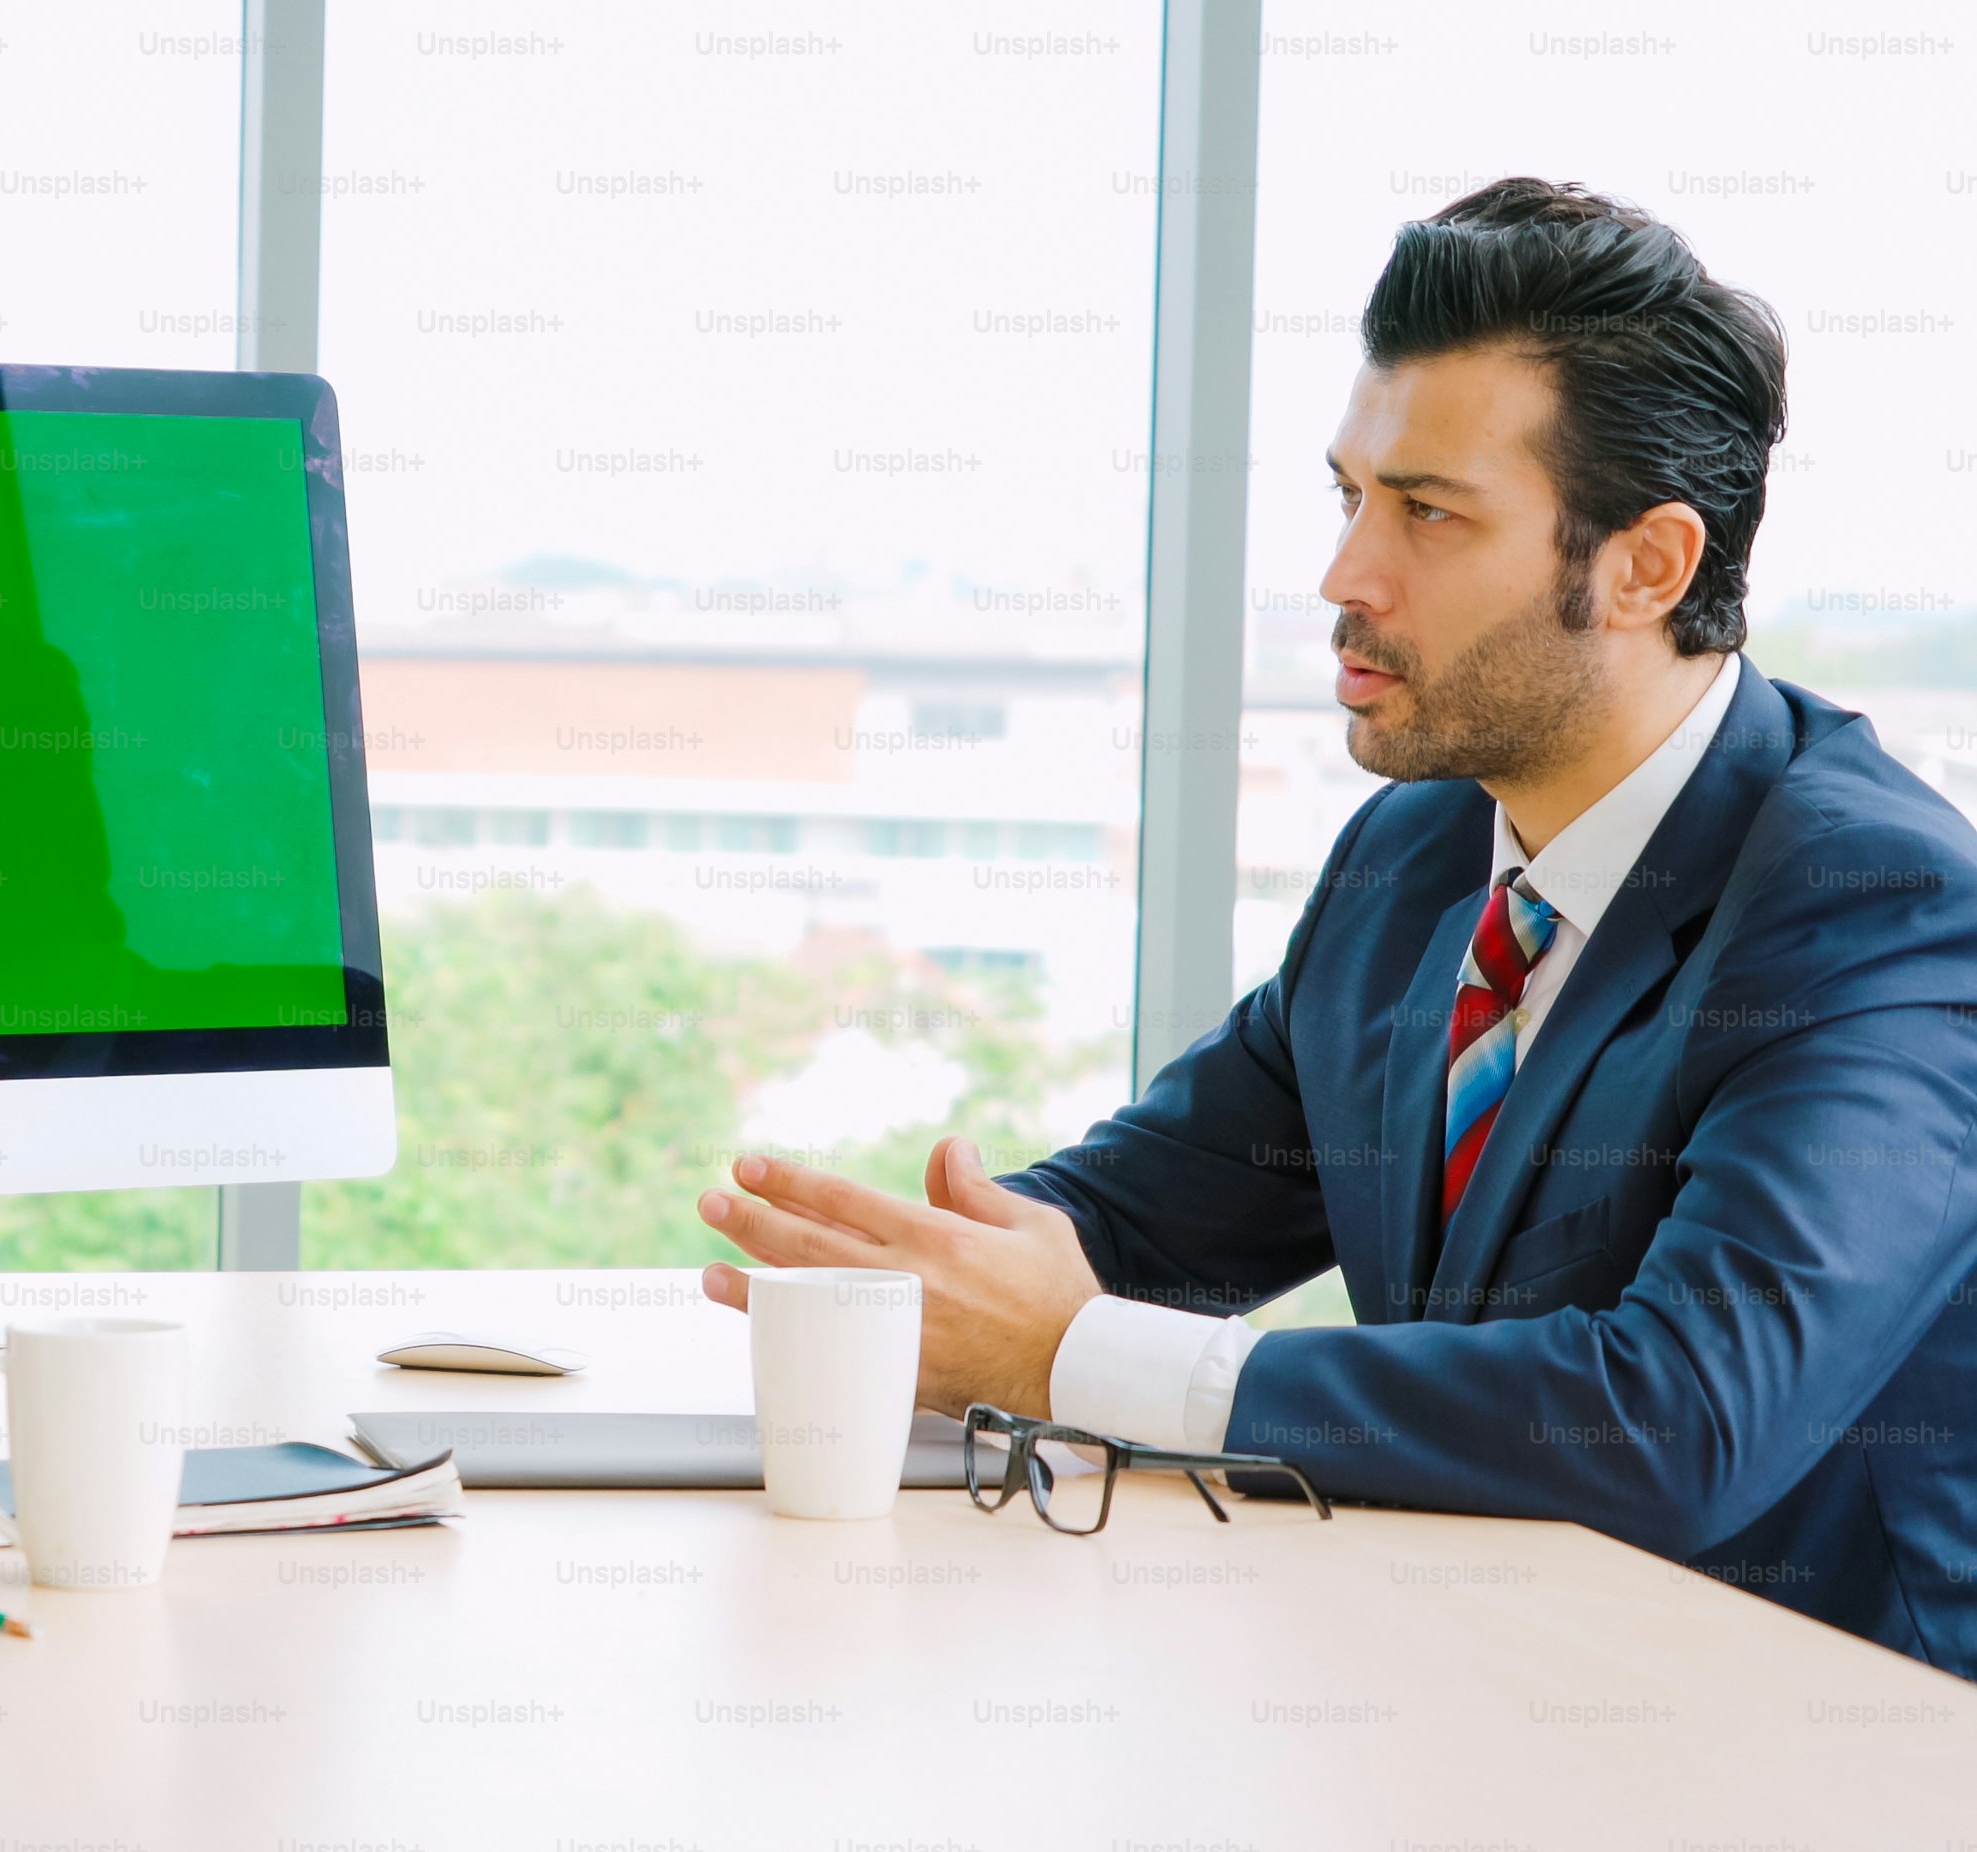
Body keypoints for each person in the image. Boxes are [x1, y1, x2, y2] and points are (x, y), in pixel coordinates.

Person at [698, 178, 1977, 1680]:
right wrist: (895, 1281)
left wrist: (1066, 1351)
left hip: (1812, 1761)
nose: (1343, 576)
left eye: (1426, 513)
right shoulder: (1419, 847)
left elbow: (1673, 1418)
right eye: (1349, 495)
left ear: (1644, 566)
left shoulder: (1873, 912)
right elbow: (1136, 1224)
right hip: (1465, 1696)